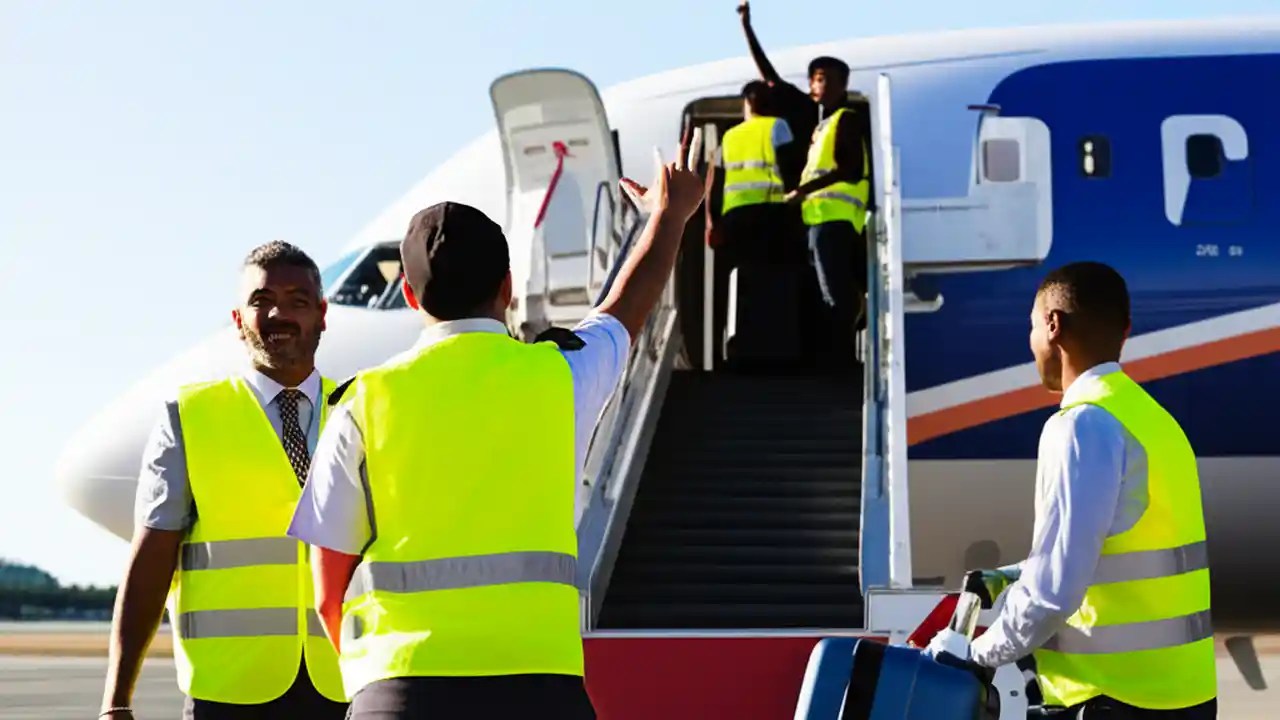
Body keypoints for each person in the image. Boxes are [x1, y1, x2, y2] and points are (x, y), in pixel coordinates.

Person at [285, 153, 707, 718]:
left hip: (402, 690)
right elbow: (625, 309)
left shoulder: (363, 402)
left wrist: (374, 681)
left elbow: (326, 594)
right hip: (540, 689)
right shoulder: (560, 376)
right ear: (507, 287)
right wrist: (669, 217)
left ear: (411, 296)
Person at [956, 262, 1217, 718]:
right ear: (1126, 330)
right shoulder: (1153, 419)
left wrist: (975, 654)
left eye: (1032, 326)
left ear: (1053, 326)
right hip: (1185, 698)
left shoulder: (1080, 425)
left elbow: (1054, 592)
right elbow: (1118, 546)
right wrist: (1018, 574)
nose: (1031, 342)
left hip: (1111, 700)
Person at [99, 242, 348, 719]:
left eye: (298, 301)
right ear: (237, 319)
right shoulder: (190, 418)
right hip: (229, 692)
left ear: (321, 314)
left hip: (344, 684)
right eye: (261, 301)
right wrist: (117, 700)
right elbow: (151, 559)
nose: (279, 314)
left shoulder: (363, 411)